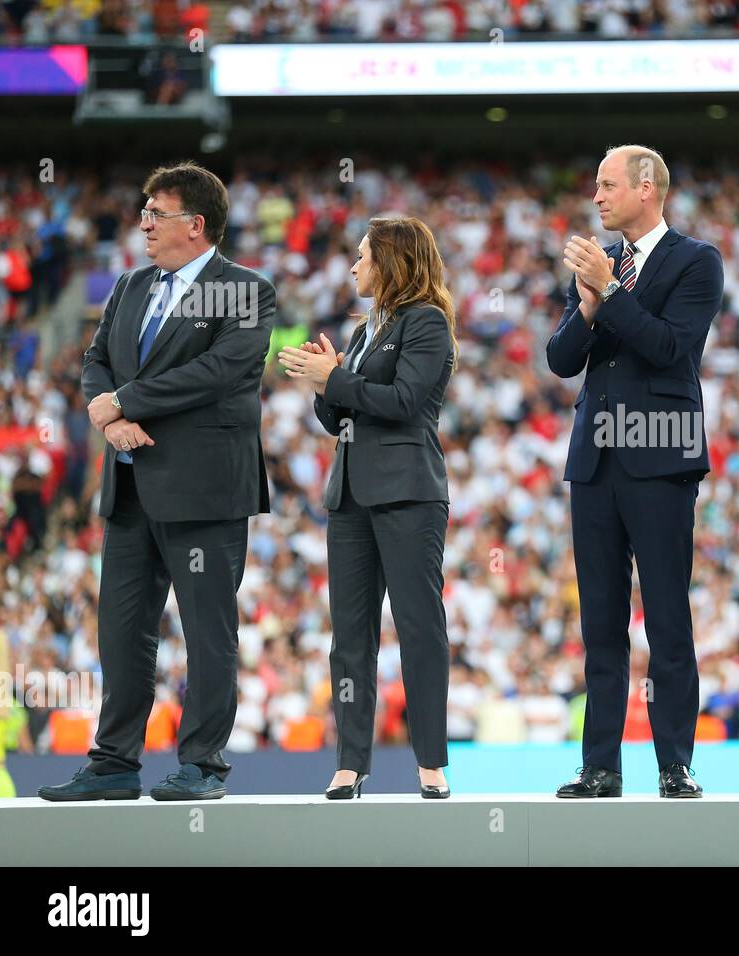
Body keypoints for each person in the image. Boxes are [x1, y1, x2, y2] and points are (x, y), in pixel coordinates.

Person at [41, 162, 275, 802]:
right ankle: (115, 762)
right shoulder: (131, 285)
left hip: (204, 489)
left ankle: (203, 765)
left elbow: (219, 372)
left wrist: (125, 402)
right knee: (120, 631)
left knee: (207, 631)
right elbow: (95, 364)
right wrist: (112, 421)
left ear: (196, 226)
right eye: (143, 209)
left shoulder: (245, 290)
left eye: (156, 212)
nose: (142, 221)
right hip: (130, 483)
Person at [546, 145, 724, 798]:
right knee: (600, 622)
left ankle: (675, 763)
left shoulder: (696, 260)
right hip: (596, 459)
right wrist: (590, 306)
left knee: (668, 618)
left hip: (661, 456)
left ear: (647, 188)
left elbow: (670, 349)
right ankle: (600, 766)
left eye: (608, 184)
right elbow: (562, 360)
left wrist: (611, 292)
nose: (597, 196)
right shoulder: (600, 265)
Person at [277, 216, 458, 799]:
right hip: (350, 495)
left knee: (418, 626)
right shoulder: (364, 331)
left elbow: (405, 402)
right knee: (350, 636)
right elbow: (341, 417)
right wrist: (324, 383)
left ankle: (430, 762)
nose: (354, 266)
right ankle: (351, 763)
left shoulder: (427, 323)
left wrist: (338, 381)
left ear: (392, 262)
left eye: (362, 256)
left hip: (408, 491)